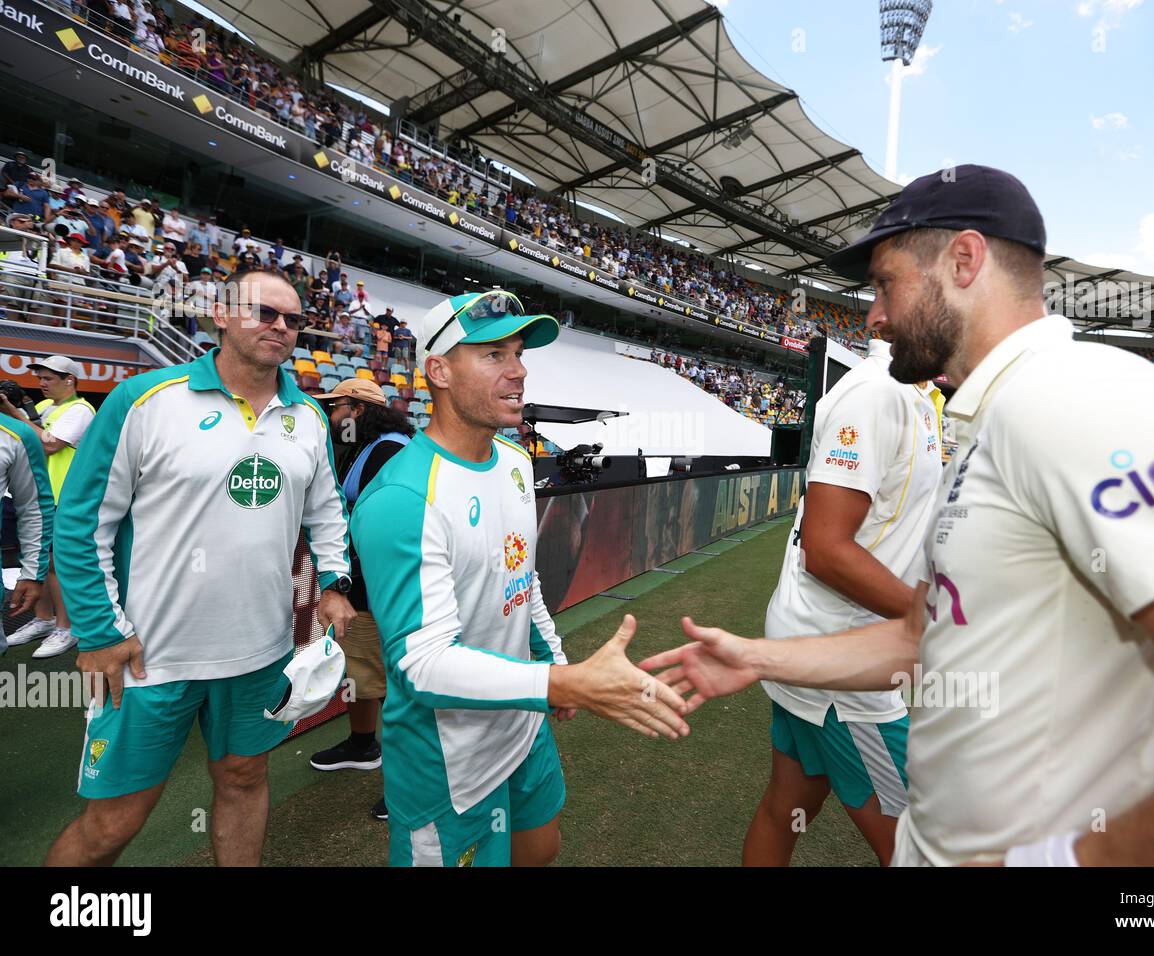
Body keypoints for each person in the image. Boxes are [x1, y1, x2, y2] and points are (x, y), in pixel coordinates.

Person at [641, 165, 1154, 866]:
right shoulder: (989, 416)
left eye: (886, 283)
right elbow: (931, 636)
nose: (874, 316)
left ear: (964, 260)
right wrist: (759, 656)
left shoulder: (1091, 400)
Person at [352, 290, 690, 867]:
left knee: (541, 848)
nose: (519, 371)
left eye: (518, 353)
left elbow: (522, 578)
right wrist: (561, 683)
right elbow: (423, 664)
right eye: (493, 355)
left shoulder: (513, 461)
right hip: (446, 761)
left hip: (523, 726)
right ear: (438, 371)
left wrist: (553, 662)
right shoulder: (401, 498)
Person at [46, 270, 355, 867]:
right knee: (113, 821)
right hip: (148, 656)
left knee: (243, 780)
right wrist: (100, 633)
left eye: (292, 319)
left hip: (261, 652)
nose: (280, 327)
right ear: (220, 313)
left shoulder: (309, 416)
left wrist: (335, 583)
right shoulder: (146, 400)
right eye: (264, 311)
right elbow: (83, 523)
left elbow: (326, 511)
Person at [746, 324, 944, 867]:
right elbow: (826, 550)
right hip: (843, 665)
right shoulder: (878, 393)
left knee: (784, 810)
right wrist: (934, 622)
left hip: (819, 648)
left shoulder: (921, 394)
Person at [309, 378, 415, 821]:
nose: (329, 415)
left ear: (354, 409)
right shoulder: (368, 447)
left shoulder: (388, 451)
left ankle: (411, 786)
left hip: (385, 590)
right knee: (361, 674)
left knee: (398, 688)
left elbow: (387, 525)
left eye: (335, 407)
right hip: (369, 587)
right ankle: (362, 743)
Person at [4, 356, 94, 658]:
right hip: (32, 496)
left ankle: (65, 627)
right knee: (35, 559)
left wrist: (12, 412)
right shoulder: (41, 409)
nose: (42, 383)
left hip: (62, 496)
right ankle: (43, 620)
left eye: (49, 378)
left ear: (70, 380)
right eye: (40, 378)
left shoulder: (80, 410)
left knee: (56, 564)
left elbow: (49, 443)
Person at [0, 384, 55, 655]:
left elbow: (33, 507)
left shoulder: (16, 434)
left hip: (59, 494)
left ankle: (54, 624)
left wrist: (32, 572)